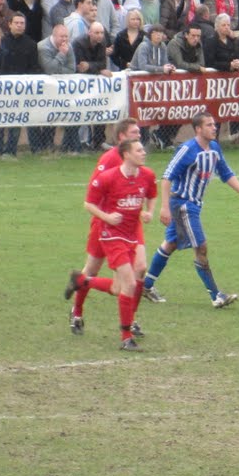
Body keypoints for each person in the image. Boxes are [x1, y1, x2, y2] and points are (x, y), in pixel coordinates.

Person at [140, 114, 239, 308]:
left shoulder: (215, 148)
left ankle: (146, 286)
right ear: (198, 129)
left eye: (214, 125)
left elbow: (225, 173)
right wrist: (165, 207)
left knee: (171, 243)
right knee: (200, 247)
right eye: (209, 125)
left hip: (193, 205)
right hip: (183, 204)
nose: (214, 128)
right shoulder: (187, 150)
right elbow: (167, 177)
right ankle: (216, 296)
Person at [67, 138, 159, 350]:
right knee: (130, 283)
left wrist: (149, 211)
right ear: (126, 154)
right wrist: (107, 218)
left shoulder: (147, 175)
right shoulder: (107, 178)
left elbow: (152, 195)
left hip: (131, 235)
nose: (144, 153)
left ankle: (82, 280)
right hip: (111, 235)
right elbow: (88, 204)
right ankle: (126, 337)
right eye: (139, 150)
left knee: (120, 287)